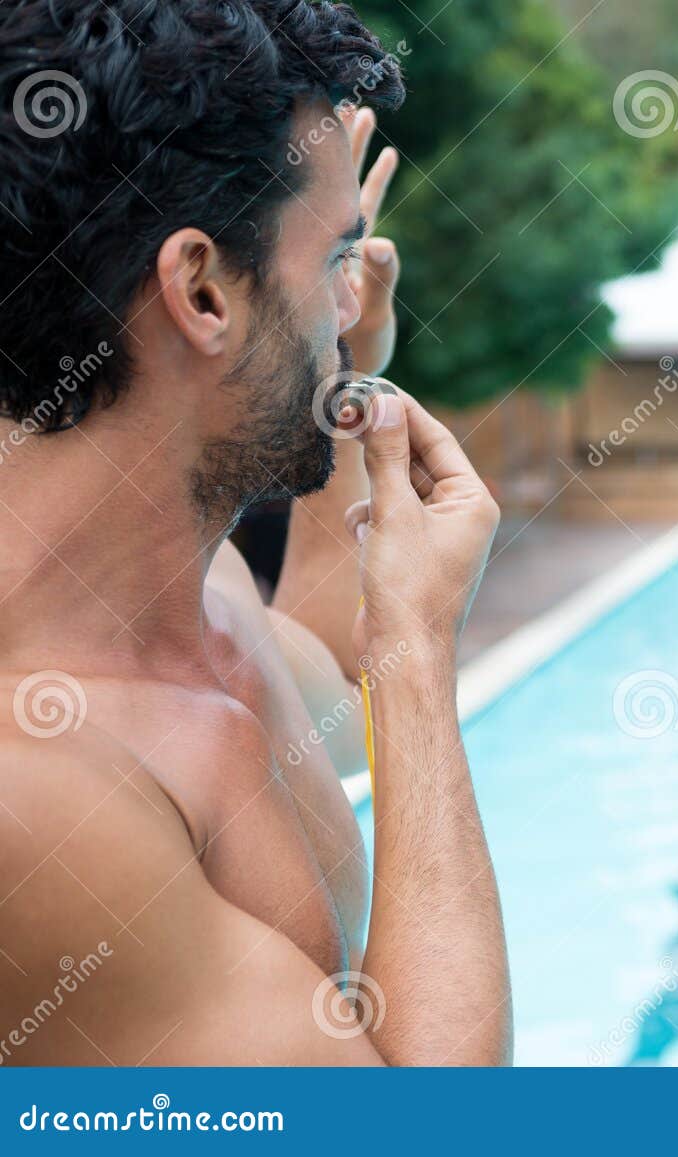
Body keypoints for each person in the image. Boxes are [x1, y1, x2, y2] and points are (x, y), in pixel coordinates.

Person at [0, 2, 510, 1064]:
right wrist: (416, 656)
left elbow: (309, 654)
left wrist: (342, 360)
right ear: (199, 289)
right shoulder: (37, 795)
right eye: (333, 258)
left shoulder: (190, 583)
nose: (353, 296)